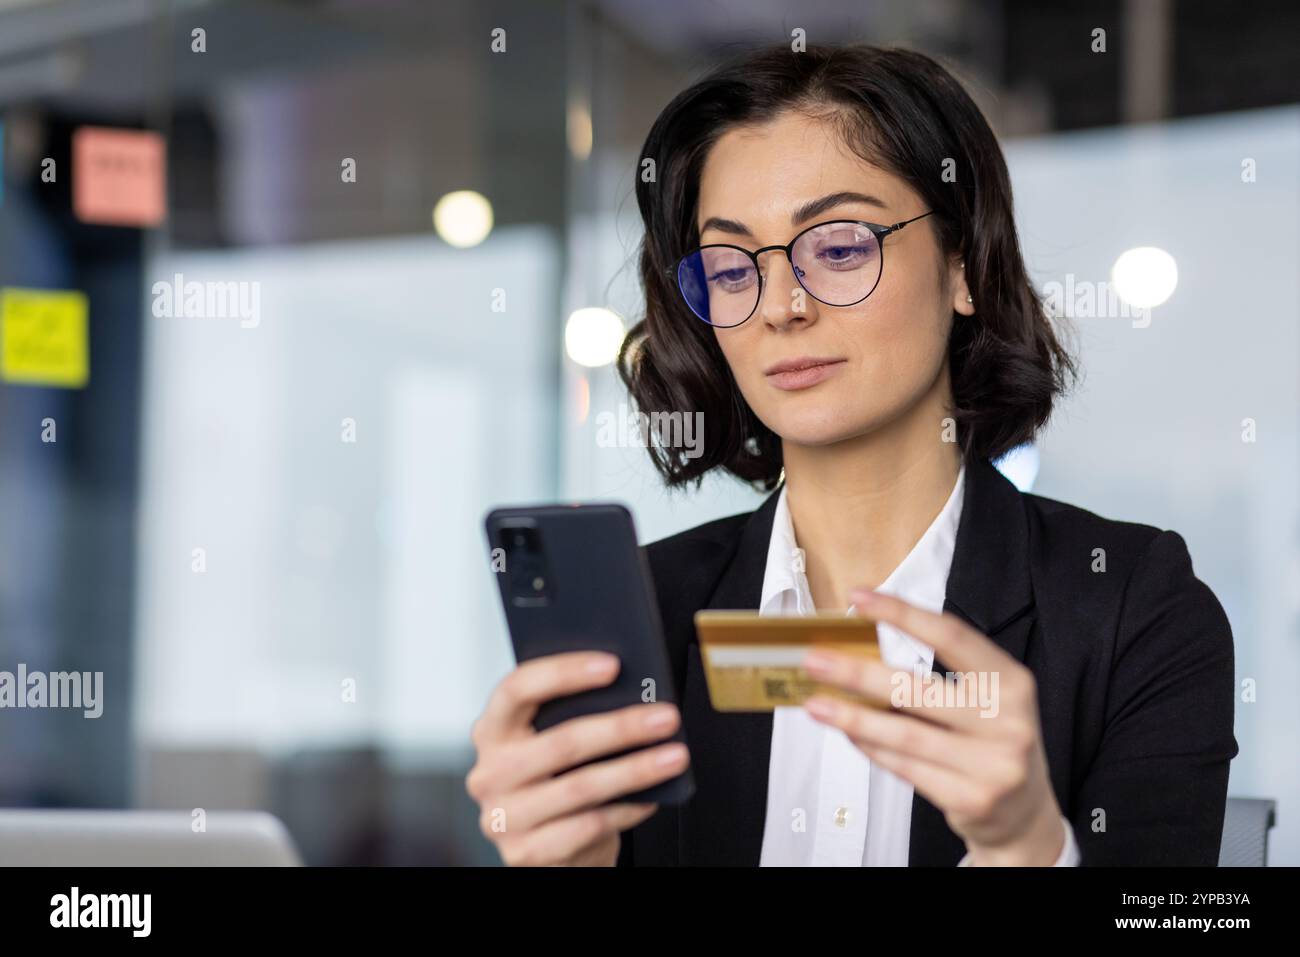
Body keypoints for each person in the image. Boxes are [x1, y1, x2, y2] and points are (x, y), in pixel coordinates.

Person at [465, 42, 1237, 867]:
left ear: (963, 266)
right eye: (731, 267)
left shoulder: (1132, 607)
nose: (782, 309)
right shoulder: (648, 616)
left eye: (838, 249)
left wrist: (1028, 848)